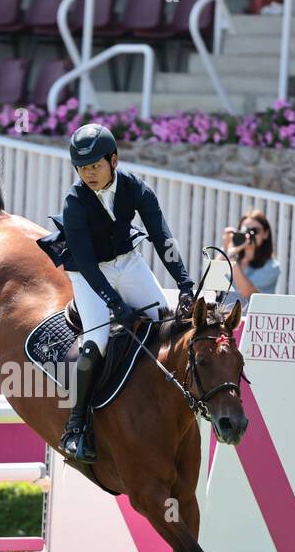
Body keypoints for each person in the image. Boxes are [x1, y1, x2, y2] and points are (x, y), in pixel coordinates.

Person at [38, 124, 197, 465]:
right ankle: (76, 425)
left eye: (95, 166)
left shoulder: (135, 188)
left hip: (127, 262)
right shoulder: (75, 202)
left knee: (163, 322)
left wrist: (185, 283)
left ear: (114, 159)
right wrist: (114, 304)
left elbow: (162, 236)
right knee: (97, 340)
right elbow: (85, 263)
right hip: (88, 272)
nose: (89, 174)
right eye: (82, 168)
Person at [218, 209, 281, 310]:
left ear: (265, 234)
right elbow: (211, 280)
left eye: (255, 231)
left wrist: (230, 255)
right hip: (223, 321)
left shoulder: (272, 267)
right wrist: (225, 248)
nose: (249, 235)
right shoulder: (229, 253)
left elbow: (246, 292)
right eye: (245, 230)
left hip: (251, 322)